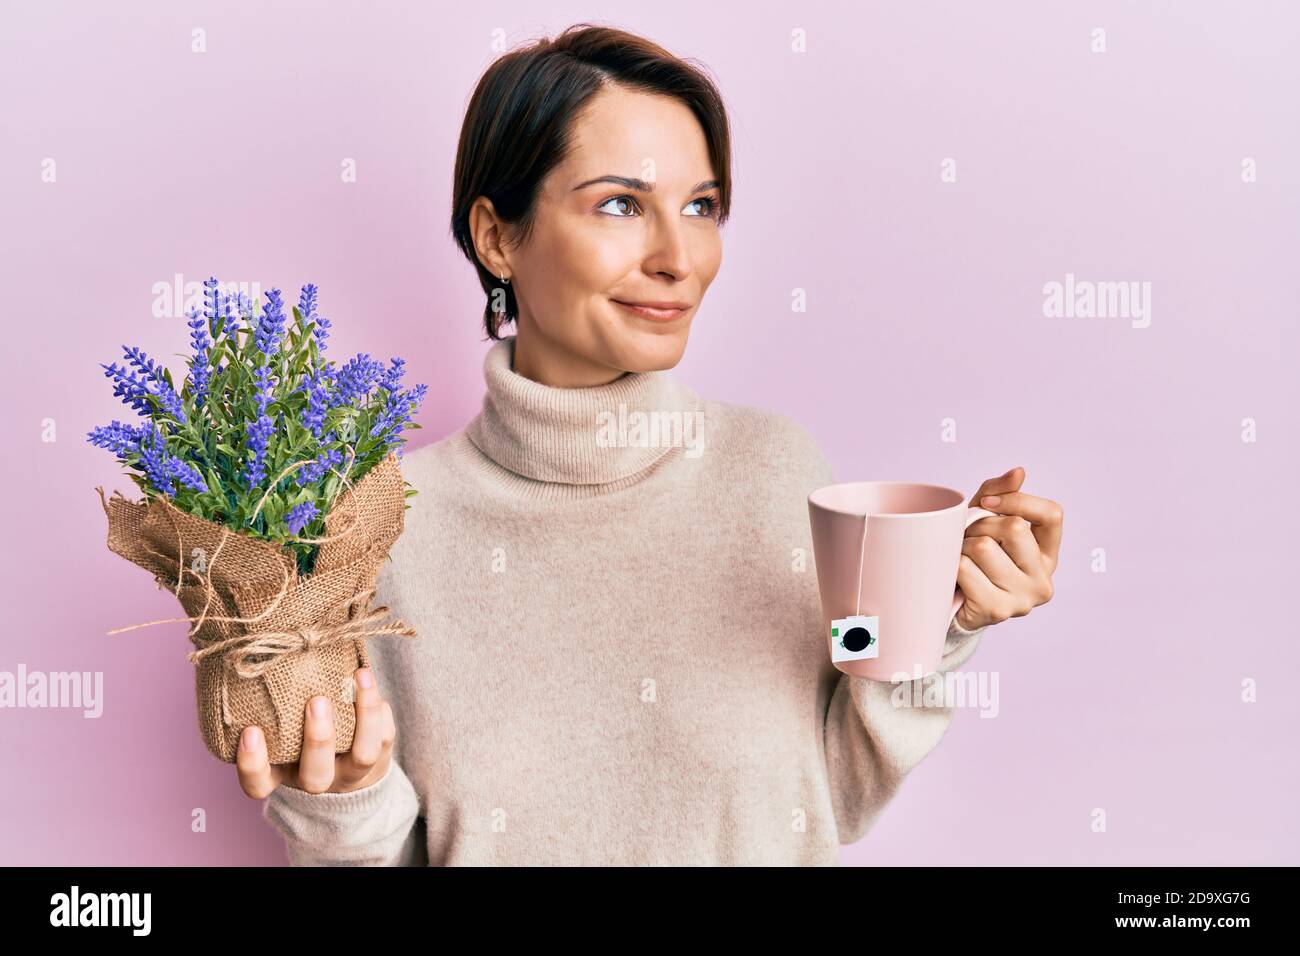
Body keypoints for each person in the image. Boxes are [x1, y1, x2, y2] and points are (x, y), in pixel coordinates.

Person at [237, 23, 1063, 866]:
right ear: (496, 237)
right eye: (621, 204)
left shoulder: (776, 472)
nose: (680, 257)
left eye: (700, 207)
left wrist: (939, 614)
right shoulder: (373, 527)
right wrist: (343, 801)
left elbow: (835, 799)